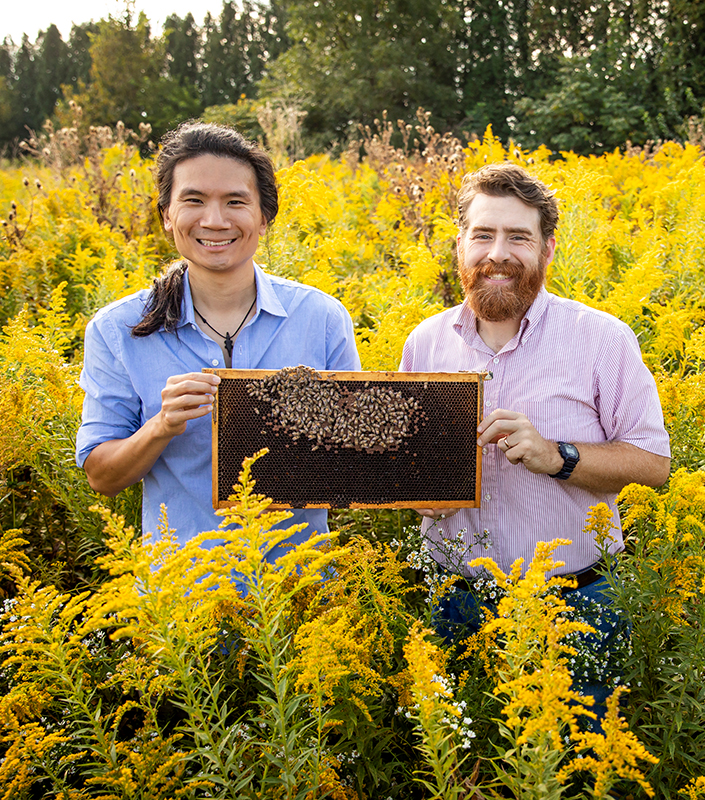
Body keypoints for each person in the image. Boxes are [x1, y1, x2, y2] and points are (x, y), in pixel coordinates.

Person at [399, 162, 670, 703]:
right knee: (457, 764)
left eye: (518, 237)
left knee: (574, 765)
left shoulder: (602, 340)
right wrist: (418, 494)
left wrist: (557, 455)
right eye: (483, 234)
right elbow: (407, 461)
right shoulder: (425, 342)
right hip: (454, 597)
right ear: (460, 245)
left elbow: (653, 464)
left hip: (573, 604)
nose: (498, 252)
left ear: (546, 250)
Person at [76, 122, 361, 553]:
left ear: (263, 218)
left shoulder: (320, 317)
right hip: (187, 596)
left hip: (302, 593)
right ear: (167, 215)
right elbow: (102, 476)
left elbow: (358, 461)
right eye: (193, 200)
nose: (214, 220)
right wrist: (160, 427)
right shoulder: (116, 329)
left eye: (235, 202)